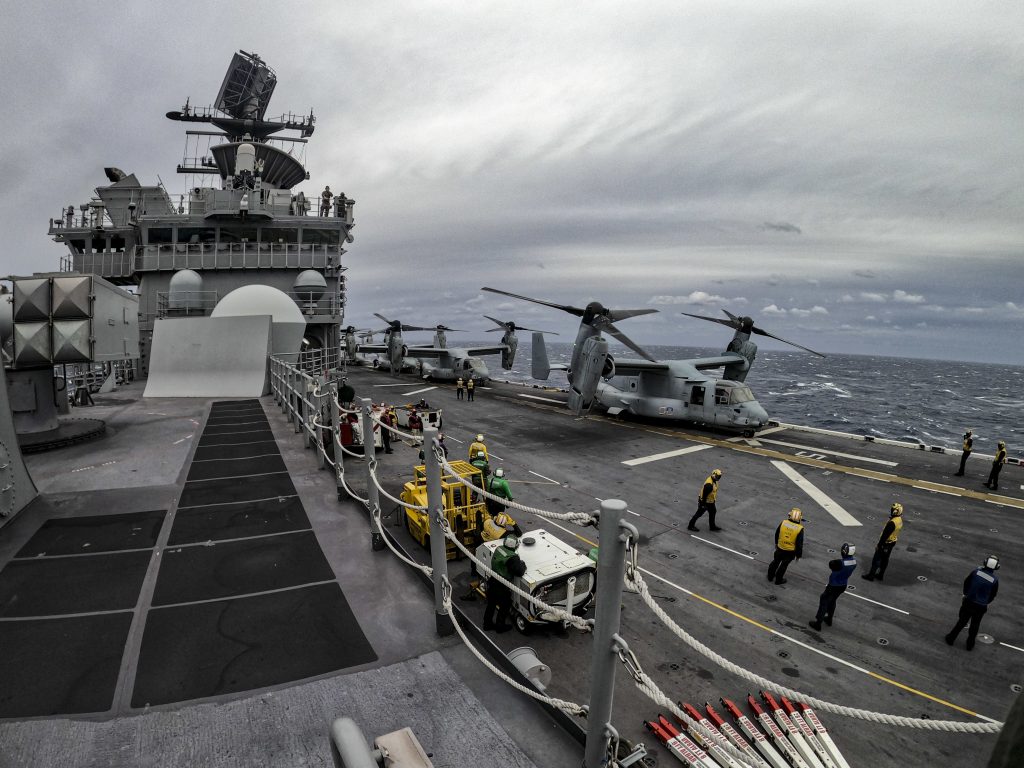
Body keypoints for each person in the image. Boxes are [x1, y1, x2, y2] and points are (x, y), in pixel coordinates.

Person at [945, 556, 1000, 650]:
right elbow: (993, 595)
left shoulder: (976, 572)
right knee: (975, 625)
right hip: (981, 606)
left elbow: (966, 583)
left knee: (962, 621)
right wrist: (985, 601)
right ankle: (970, 645)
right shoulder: (995, 580)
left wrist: (966, 594)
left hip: (969, 601)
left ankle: (951, 638)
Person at [483, 534, 527, 633]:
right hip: (501, 585)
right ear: (515, 546)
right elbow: (519, 571)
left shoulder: (499, 549)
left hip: (492, 581)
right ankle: (500, 625)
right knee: (505, 604)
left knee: (491, 604)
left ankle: (487, 624)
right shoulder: (512, 557)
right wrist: (523, 564)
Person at [809, 543, 858, 630]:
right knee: (833, 601)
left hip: (833, 585)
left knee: (824, 601)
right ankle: (829, 619)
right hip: (843, 585)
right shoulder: (854, 562)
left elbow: (831, 564)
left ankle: (818, 623)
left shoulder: (840, 562)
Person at [861, 502, 903, 581]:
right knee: (885, 559)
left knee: (876, 559)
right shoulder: (899, 520)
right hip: (892, 542)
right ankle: (880, 575)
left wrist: (879, 545)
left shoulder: (892, 523)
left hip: (886, 543)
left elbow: (884, 536)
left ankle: (871, 576)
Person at [767, 508, 804, 585]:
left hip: (780, 548)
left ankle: (770, 577)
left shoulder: (783, 522)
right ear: (799, 518)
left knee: (775, 562)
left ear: (789, 515)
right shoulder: (799, 528)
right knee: (783, 566)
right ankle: (778, 580)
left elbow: (777, 534)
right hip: (790, 552)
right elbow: (799, 544)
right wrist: (798, 555)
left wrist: (776, 543)